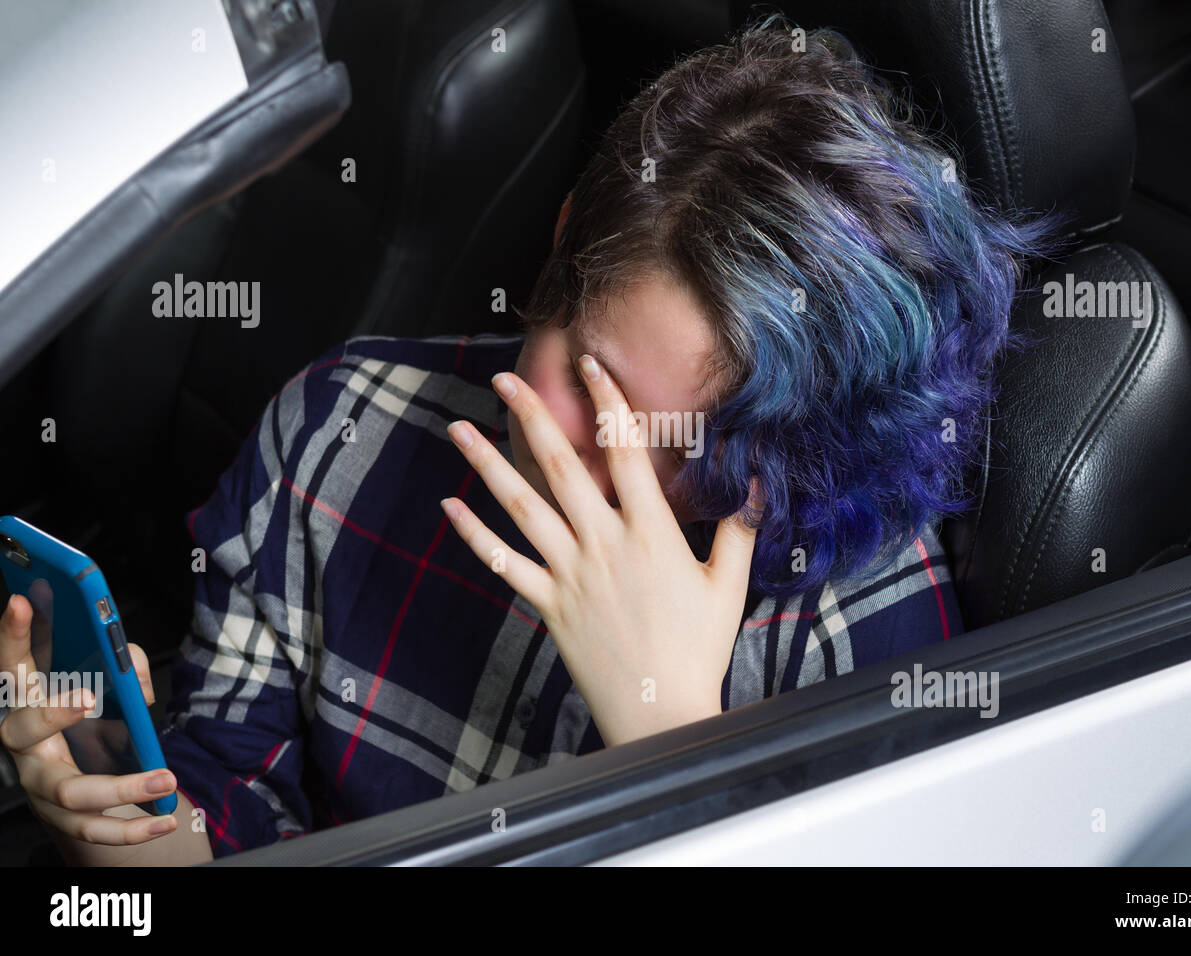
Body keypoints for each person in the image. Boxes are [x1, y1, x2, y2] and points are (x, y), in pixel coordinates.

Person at [0, 14, 1055, 864]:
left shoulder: (845, 614)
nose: (565, 445)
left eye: (670, 438)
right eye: (581, 363)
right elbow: (230, 784)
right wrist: (143, 838)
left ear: (779, 473)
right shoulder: (338, 428)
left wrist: (674, 737)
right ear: (560, 250)